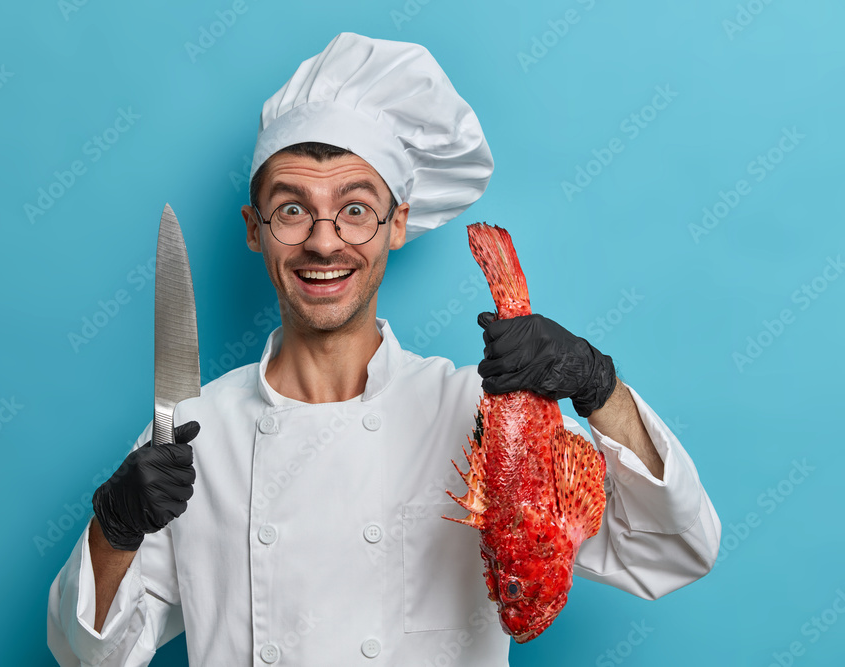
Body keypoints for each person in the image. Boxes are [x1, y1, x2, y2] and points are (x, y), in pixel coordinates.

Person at [48, 32, 721, 666]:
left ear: (398, 223)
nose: (322, 241)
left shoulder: (476, 417)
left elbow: (675, 549)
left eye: (355, 208)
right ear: (254, 230)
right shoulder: (197, 432)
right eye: (290, 209)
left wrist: (597, 386)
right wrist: (114, 527)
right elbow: (88, 655)